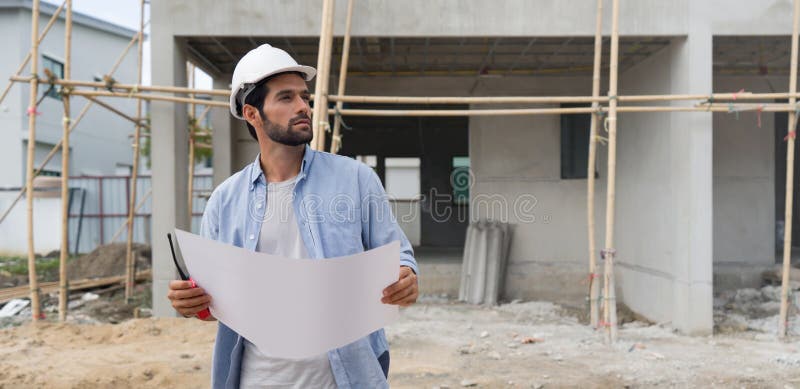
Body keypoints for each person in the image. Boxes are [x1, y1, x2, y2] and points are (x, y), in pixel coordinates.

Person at [166, 44, 419, 388]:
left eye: (304, 96)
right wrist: (191, 302)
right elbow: (211, 304)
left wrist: (405, 277)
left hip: (346, 377)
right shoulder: (224, 201)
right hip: (258, 379)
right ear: (252, 114)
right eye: (286, 98)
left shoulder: (356, 180)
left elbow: (399, 256)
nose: (304, 106)